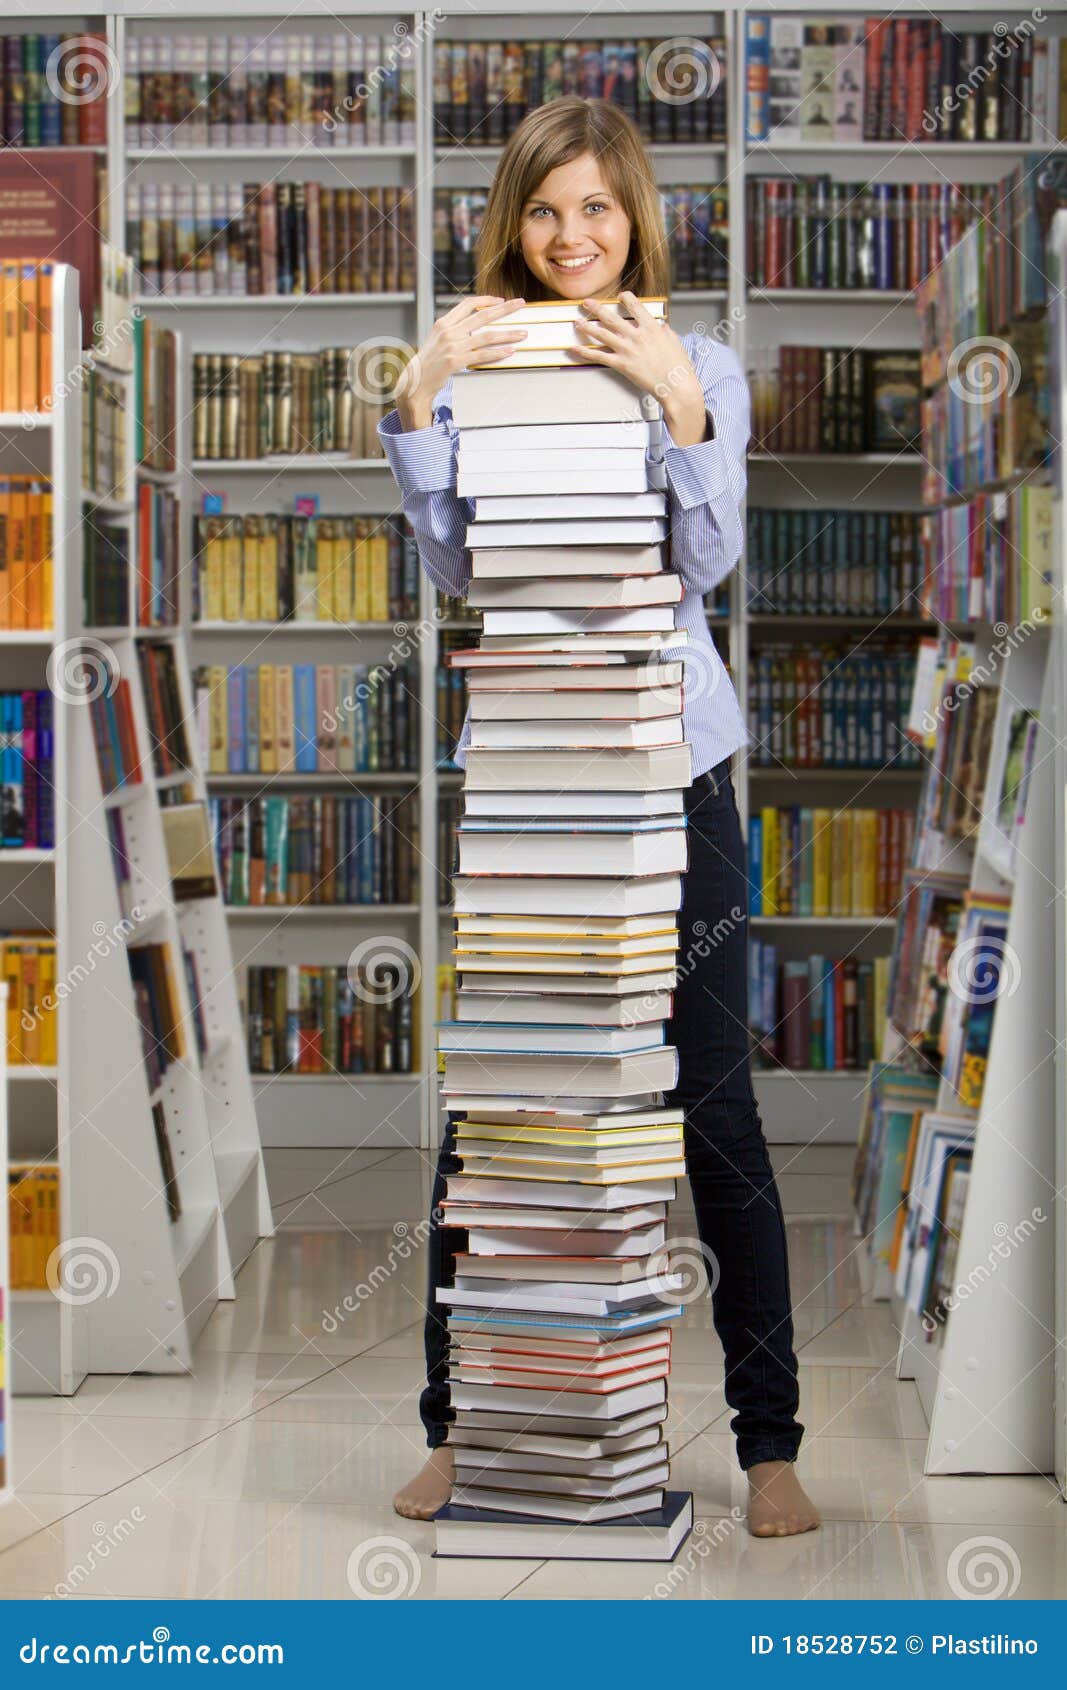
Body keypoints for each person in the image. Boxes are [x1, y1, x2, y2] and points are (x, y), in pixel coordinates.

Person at [378, 96, 819, 1540]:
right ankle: (462, 1427)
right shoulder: (476, 363)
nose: (573, 238)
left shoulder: (697, 361)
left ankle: (768, 1446)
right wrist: (417, 399)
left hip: (673, 773)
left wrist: (683, 416)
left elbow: (706, 555)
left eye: (599, 210)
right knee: (501, 1112)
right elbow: (459, 573)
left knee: (713, 1107)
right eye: (546, 212)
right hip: (530, 779)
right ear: (512, 223)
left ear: (638, 218)